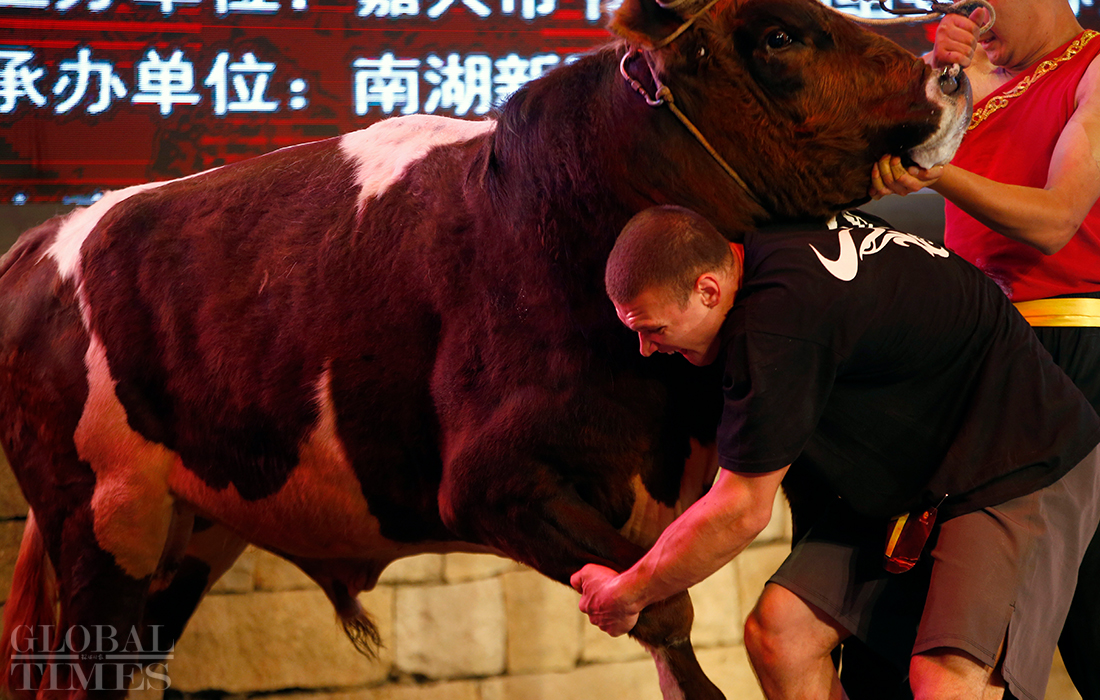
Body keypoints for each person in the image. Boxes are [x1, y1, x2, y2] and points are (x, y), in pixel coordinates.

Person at [571, 204, 1100, 700]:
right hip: (920, 473)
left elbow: (739, 511)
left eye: (653, 330)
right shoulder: (773, 247)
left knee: (946, 680)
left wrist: (626, 594)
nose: (647, 349)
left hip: (1019, 457)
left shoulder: (776, 326)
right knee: (779, 636)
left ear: (708, 289)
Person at [870, 1, 1100, 694]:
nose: (972, 17)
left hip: (1071, 349)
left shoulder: (1094, 68)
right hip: (977, 356)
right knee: (922, 615)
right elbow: (866, 143)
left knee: (1081, 609)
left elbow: (1057, 220)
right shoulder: (966, 77)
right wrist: (932, 74)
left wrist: (936, 170)